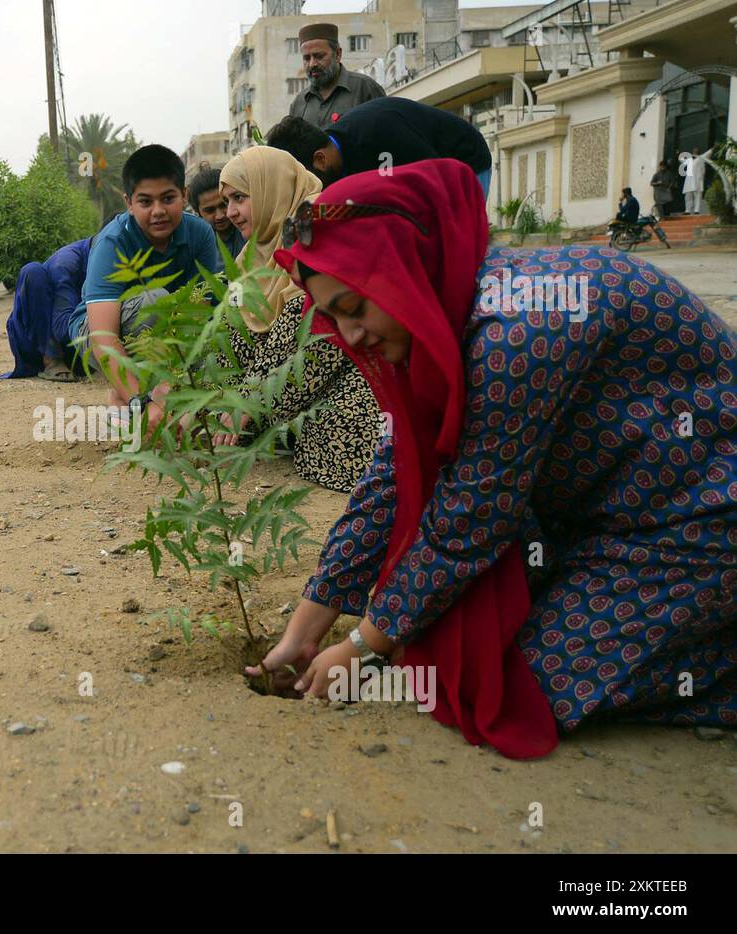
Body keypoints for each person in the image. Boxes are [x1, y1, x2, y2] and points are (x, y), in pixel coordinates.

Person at [252, 158, 737, 758]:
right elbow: (395, 475)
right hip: (597, 511)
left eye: (355, 307)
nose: (350, 336)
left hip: (699, 517)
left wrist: (365, 647)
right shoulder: (451, 310)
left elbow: (471, 516)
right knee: (458, 648)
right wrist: (307, 627)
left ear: (407, 264)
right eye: (333, 317)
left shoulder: (517, 329)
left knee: (523, 685)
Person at [212, 146, 382, 491]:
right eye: (226, 201)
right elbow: (233, 340)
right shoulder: (252, 256)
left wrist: (250, 402)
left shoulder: (321, 227)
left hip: (352, 370)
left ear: (271, 189)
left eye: (239, 198)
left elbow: (325, 337)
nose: (230, 212)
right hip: (287, 395)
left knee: (342, 437)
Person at [68, 144, 224, 425]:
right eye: (145, 202)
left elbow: (196, 318)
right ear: (129, 203)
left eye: (168, 198)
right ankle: (129, 393)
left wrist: (169, 388)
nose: (158, 211)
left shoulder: (200, 234)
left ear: (184, 196)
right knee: (154, 303)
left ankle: (136, 393)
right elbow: (104, 338)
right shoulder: (112, 243)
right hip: (96, 332)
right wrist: (142, 401)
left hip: (168, 331)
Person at [294, 97, 493, 197]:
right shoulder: (338, 154)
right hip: (427, 172)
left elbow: (435, 179)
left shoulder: (378, 134)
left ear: (320, 159)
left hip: (465, 162)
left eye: (311, 180)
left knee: (459, 245)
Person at [2, 238, 92, 380]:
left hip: (76, 346)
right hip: (36, 340)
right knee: (32, 271)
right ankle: (52, 358)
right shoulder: (65, 263)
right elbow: (61, 327)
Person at [287, 22, 385, 131]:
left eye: (319, 56)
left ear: (338, 54)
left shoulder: (365, 89)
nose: (312, 64)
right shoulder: (300, 102)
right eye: (306, 58)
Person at [188, 167, 246, 260]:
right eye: (210, 210)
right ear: (198, 212)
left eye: (224, 205)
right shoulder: (193, 247)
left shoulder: (251, 230)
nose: (220, 216)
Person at [683, 148, 711, 215]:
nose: (695, 152)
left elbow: (708, 153)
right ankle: (687, 210)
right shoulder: (689, 160)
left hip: (697, 180)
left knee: (697, 195)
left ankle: (696, 210)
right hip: (689, 180)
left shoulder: (701, 158)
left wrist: (713, 148)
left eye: (696, 151)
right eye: (694, 151)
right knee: (688, 196)